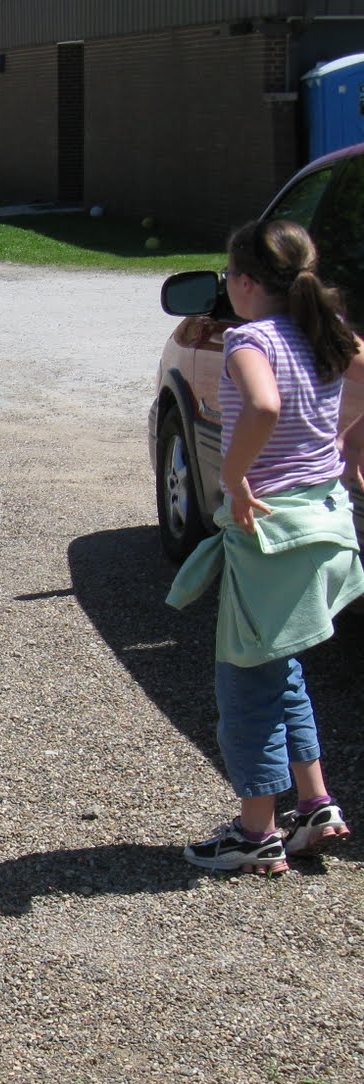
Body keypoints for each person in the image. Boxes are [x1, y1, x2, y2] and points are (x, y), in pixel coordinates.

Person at [169, 219, 364, 875]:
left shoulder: (249, 339)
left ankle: (256, 833)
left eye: (229, 282)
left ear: (246, 283)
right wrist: (352, 444)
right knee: (280, 665)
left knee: (244, 682)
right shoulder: (326, 332)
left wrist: (233, 479)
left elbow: (264, 406)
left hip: (271, 537)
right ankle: (314, 806)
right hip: (327, 529)